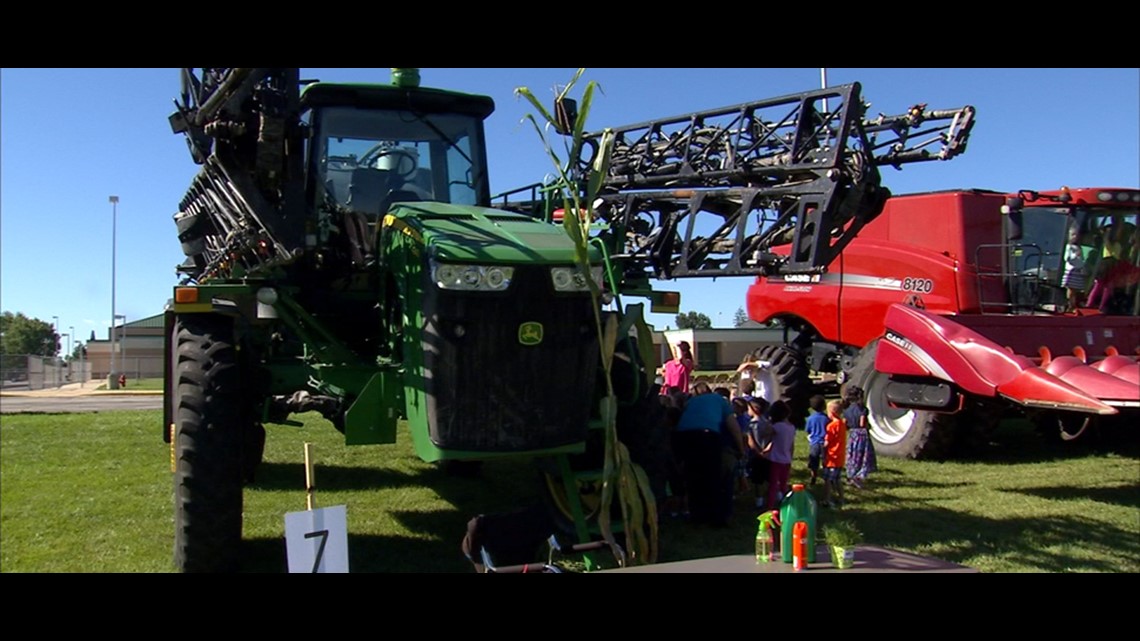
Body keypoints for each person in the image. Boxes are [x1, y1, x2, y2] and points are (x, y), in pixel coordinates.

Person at [674, 381, 746, 526]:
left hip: (683, 436)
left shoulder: (691, 401)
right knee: (713, 476)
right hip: (707, 435)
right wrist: (741, 449)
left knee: (693, 477)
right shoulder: (720, 401)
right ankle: (716, 518)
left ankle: (696, 516)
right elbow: (734, 427)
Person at [764, 400, 796, 512]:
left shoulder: (776, 427)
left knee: (773, 484)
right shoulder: (791, 427)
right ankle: (787, 504)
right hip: (786, 459)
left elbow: (765, 434)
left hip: (775, 459)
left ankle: (770, 507)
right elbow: (792, 445)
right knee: (784, 484)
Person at [844, 385, 876, 489]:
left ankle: (850, 474)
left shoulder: (846, 409)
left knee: (852, 454)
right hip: (861, 434)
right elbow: (862, 423)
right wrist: (868, 426)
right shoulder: (862, 409)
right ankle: (859, 476)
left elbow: (845, 424)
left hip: (852, 433)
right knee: (862, 456)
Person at [745, 397, 772, 510]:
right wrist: (767, 449)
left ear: (754, 409)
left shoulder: (752, 424)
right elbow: (772, 438)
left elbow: (750, 441)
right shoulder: (768, 423)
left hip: (756, 456)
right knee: (768, 477)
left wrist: (757, 451)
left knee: (757, 480)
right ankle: (772, 496)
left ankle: (759, 501)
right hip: (768, 455)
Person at [821, 399, 847, 508]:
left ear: (831, 413)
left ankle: (827, 499)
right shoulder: (842, 424)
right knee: (837, 479)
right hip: (840, 456)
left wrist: (822, 449)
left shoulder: (831, 426)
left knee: (828, 480)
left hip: (832, 457)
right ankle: (841, 498)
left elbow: (827, 442)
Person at [803, 394, 827, 485]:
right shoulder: (826, 418)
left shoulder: (810, 419)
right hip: (825, 442)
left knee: (814, 461)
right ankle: (826, 476)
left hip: (814, 442)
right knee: (825, 460)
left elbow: (808, 430)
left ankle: (813, 476)